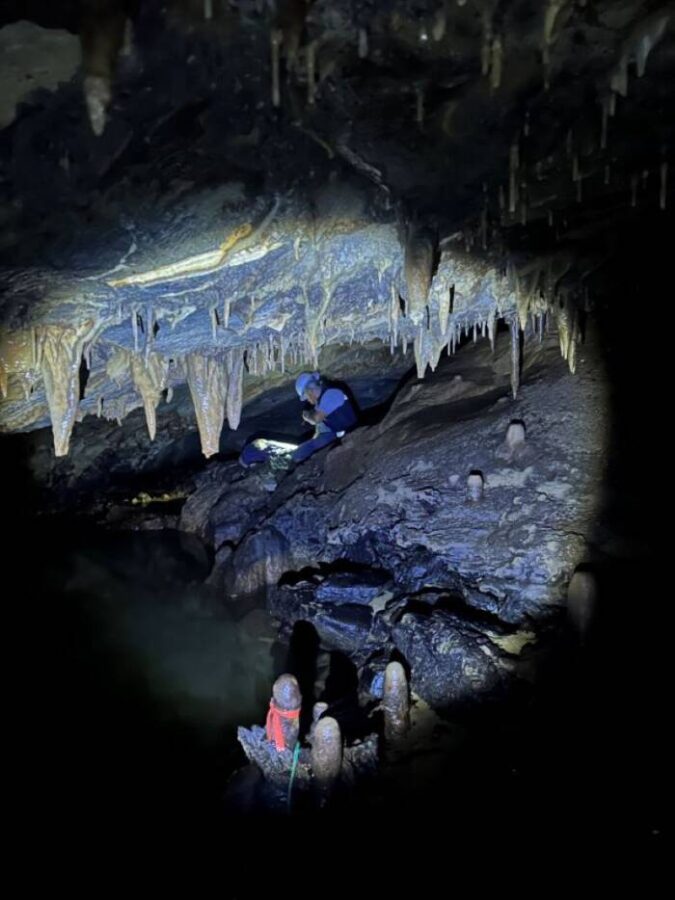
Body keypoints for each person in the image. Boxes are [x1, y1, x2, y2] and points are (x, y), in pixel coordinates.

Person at [292, 371, 357, 462]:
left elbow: (316, 419)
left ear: (309, 391)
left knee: (301, 452)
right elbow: (320, 426)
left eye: (306, 397)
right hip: (337, 433)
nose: (308, 400)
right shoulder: (320, 403)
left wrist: (307, 417)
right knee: (304, 449)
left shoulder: (331, 394)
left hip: (352, 431)